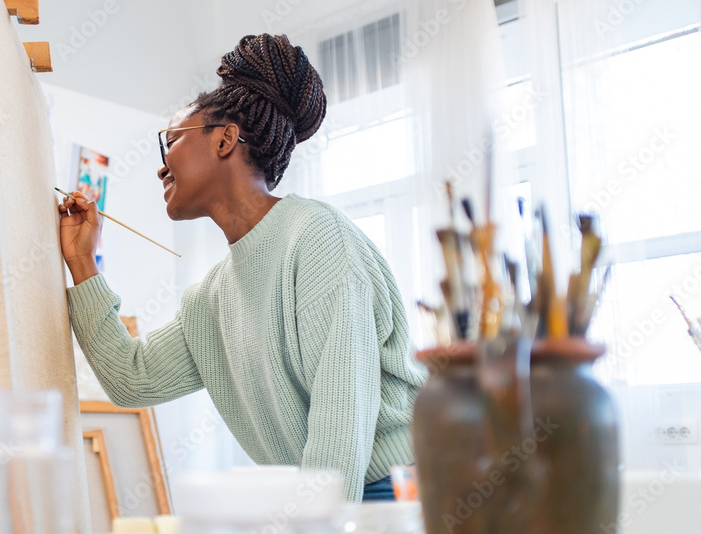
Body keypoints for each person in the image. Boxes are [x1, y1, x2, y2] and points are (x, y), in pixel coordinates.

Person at [59, 33, 426, 503]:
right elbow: (131, 379)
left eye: (168, 143)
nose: (160, 168)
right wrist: (82, 262)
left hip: (394, 492)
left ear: (226, 139)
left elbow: (341, 425)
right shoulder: (212, 297)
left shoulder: (317, 239)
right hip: (327, 497)